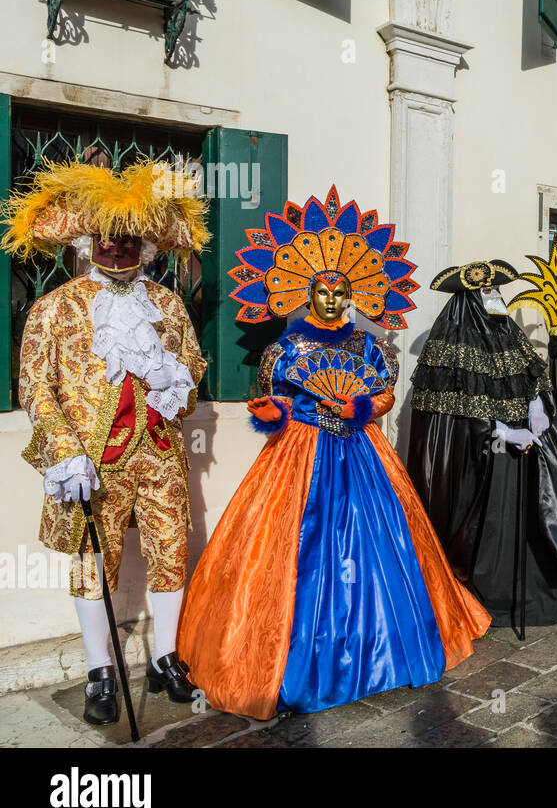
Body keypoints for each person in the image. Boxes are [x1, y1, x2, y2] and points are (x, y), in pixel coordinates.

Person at [177, 189, 491, 719]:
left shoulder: (369, 348)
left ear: (352, 296)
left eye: (340, 292)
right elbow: (273, 401)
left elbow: (386, 392)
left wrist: (363, 405)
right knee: (292, 548)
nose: (331, 300)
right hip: (299, 455)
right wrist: (271, 414)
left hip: (361, 452)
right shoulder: (284, 350)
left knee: (385, 540)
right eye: (323, 291)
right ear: (306, 293)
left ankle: (385, 649)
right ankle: (288, 655)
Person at [3, 160, 209, 726]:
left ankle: (165, 657)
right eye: (106, 243)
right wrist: (64, 450)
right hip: (91, 460)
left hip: (160, 453)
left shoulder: (166, 304)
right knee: (94, 562)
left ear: (144, 247)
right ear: (87, 244)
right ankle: (101, 670)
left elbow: (193, 365)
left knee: (172, 553)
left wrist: (178, 382)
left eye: (127, 244)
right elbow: (35, 389)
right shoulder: (55, 307)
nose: (117, 253)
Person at [406, 260, 557, 635]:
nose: (495, 297)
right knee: (497, 527)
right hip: (489, 460)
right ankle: (496, 601)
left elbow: (533, 377)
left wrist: (537, 406)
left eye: (495, 290)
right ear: (470, 301)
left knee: (540, 516)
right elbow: (458, 418)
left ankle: (540, 597)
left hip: (527, 452)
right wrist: (500, 430)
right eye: (486, 292)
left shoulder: (509, 335)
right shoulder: (449, 348)